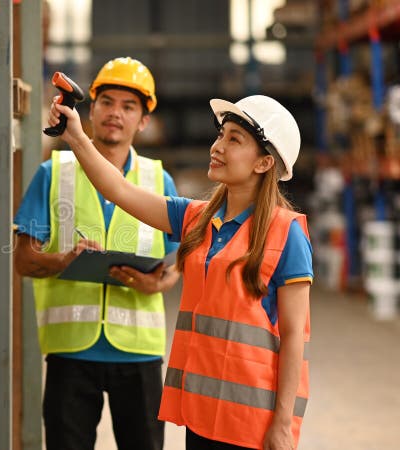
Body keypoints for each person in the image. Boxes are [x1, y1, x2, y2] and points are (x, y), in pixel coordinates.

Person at [48, 93, 312, 450]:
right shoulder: (196, 220)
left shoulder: (287, 232)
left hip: (253, 423)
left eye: (234, 140)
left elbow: (295, 335)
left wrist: (282, 423)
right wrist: (77, 136)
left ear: (264, 163)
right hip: (202, 415)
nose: (217, 146)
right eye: (221, 135)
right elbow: (118, 188)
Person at [14, 57, 181, 450]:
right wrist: (63, 261)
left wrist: (156, 284)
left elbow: (179, 264)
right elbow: (23, 261)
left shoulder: (160, 181)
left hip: (139, 353)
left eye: (129, 106)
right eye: (107, 101)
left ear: (143, 121)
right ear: (91, 110)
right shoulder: (52, 174)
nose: (115, 113)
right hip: (71, 350)